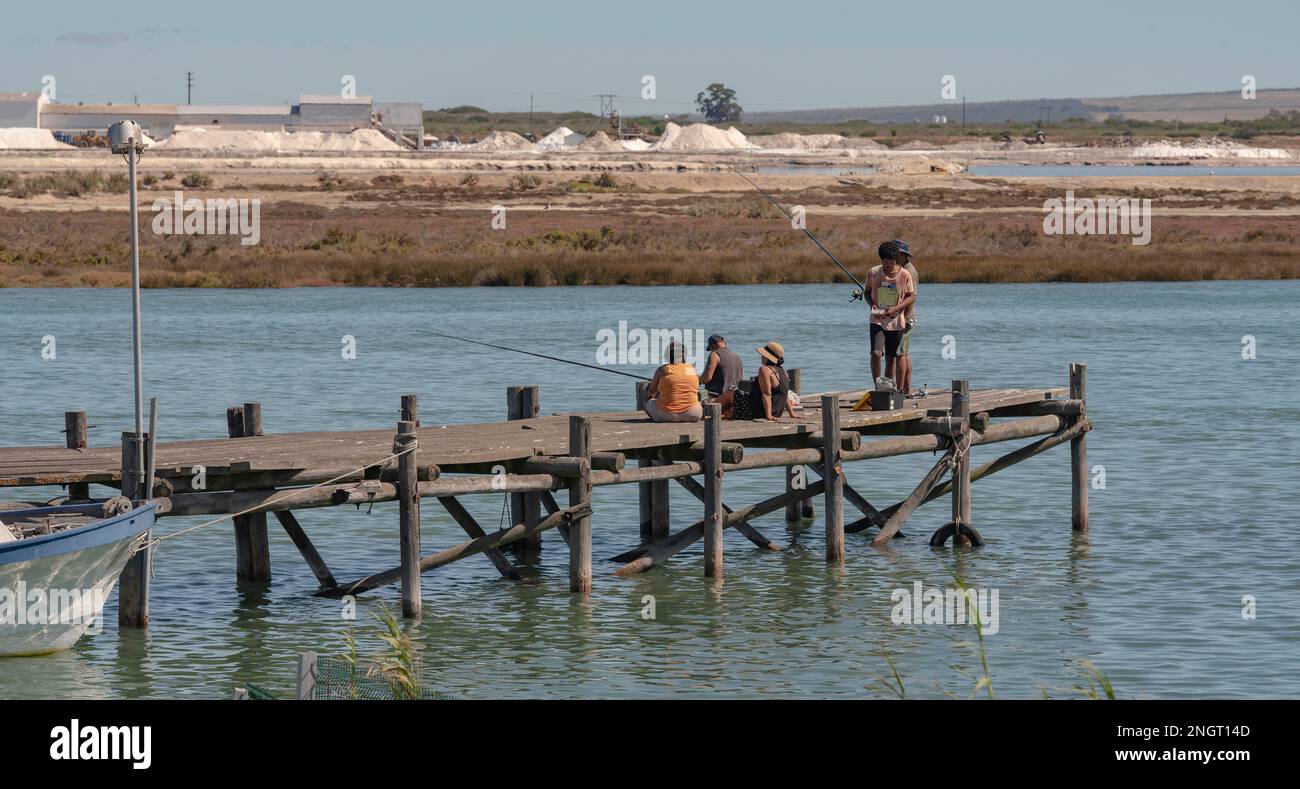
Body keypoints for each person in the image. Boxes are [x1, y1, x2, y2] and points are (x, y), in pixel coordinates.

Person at [868, 241, 916, 389]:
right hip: (877, 319)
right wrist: (872, 305)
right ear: (881, 260)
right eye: (885, 262)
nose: (888, 265)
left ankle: (891, 389)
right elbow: (866, 292)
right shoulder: (874, 272)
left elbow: (911, 296)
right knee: (876, 353)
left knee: (892, 358)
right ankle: (877, 386)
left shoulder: (906, 274)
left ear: (896, 260)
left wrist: (897, 308)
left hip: (897, 322)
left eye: (891, 262)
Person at [713, 341, 792, 421]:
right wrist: (792, 413)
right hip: (776, 412)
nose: (761, 357)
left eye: (763, 355)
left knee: (730, 393)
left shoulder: (765, 370)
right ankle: (715, 413)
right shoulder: (783, 371)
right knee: (727, 410)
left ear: (768, 357)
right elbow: (785, 393)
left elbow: (766, 394)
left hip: (758, 412)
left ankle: (708, 410)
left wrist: (768, 415)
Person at [643, 341, 703, 422]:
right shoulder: (692, 369)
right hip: (693, 414)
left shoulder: (663, 370)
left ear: (667, 355)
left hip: (665, 415)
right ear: (684, 355)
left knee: (648, 402)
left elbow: (651, 392)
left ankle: (654, 415)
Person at [892, 239, 919, 396]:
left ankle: (901, 390)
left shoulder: (909, 271)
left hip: (907, 318)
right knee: (904, 352)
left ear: (901, 254)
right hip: (904, 317)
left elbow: (912, 296)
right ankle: (907, 389)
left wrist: (906, 317)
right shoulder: (902, 269)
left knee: (900, 354)